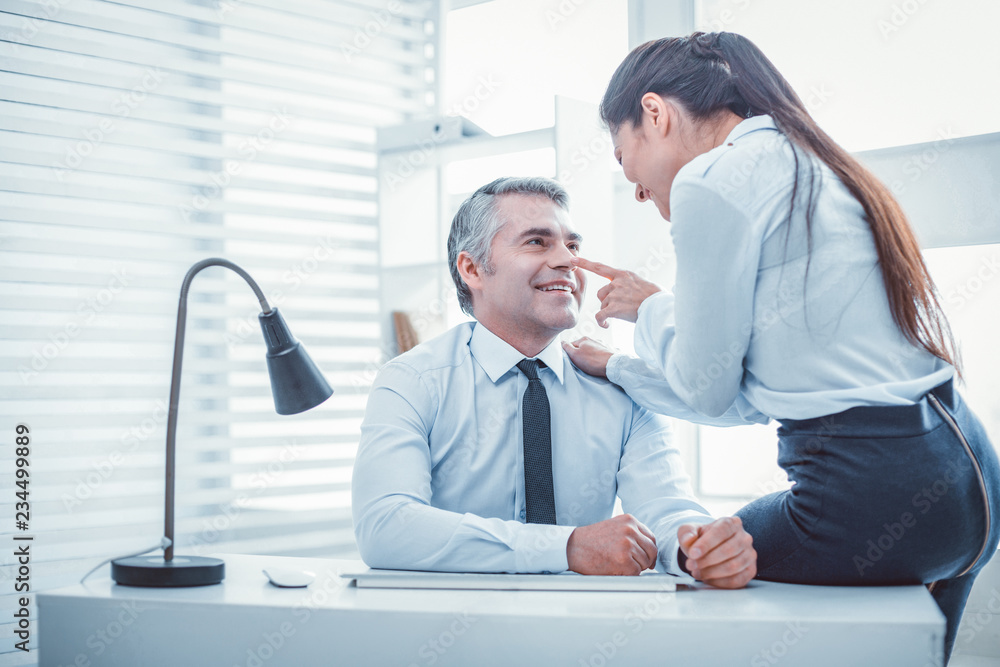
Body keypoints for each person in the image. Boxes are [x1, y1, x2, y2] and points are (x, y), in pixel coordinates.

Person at [561, 31, 1000, 659]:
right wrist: (620, 367)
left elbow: (707, 389)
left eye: (622, 154)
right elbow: (748, 400)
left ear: (654, 114)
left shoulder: (710, 179)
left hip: (873, 489)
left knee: (705, 557)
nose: (634, 186)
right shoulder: (813, 160)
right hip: (969, 476)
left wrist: (650, 306)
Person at [352, 176, 757, 587]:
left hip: (585, 624)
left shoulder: (618, 386)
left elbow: (666, 510)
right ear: (472, 269)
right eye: (537, 242)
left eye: (573, 246)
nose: (568, 261)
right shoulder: (412, 382)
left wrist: (699, 547)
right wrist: (566, 547)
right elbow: (386, 526)